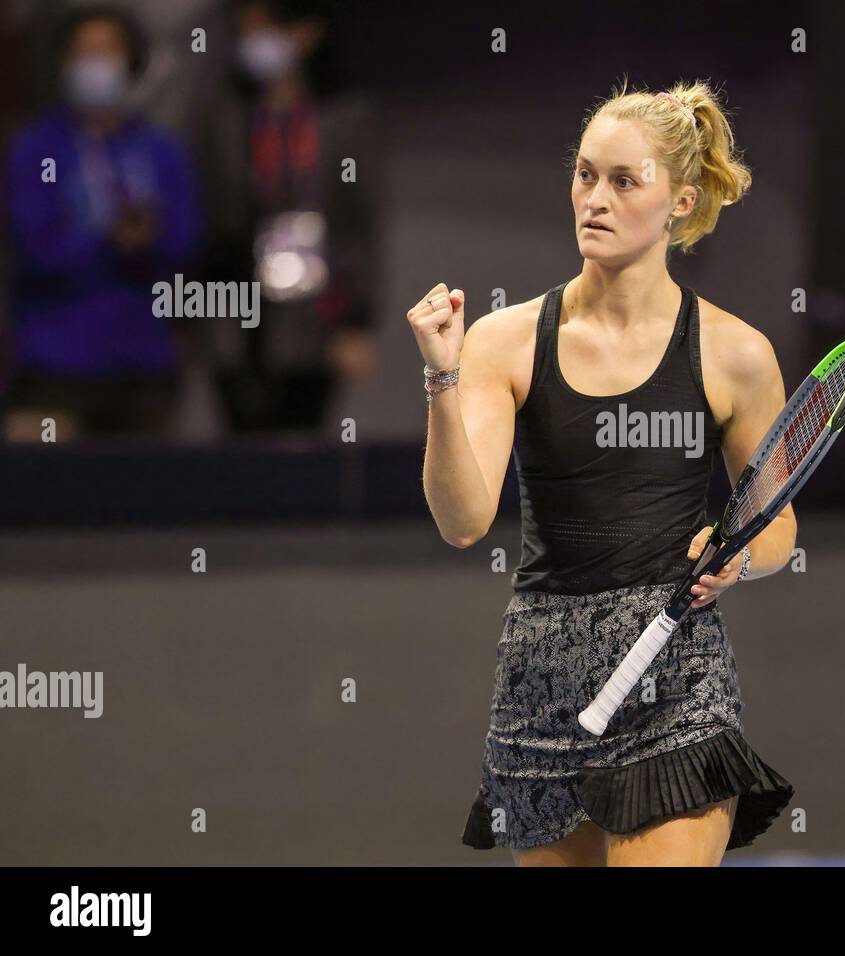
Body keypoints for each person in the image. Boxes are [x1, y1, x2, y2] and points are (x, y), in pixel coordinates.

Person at [410, 80, 795, 866]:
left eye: (625, 181)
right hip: (540, 682)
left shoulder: (738, 354)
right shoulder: (501, 340)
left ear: (681, 203)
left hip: (676, 682)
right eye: (586, 175)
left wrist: (738, 560)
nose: (596, 198)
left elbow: (778, 523)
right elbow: (461, 521)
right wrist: (442, 381)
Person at [4, 3, 201, 440]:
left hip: (144, 363)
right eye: (83, 54)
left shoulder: (159, 150)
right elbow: (34, 248)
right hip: (55, 362)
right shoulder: (37, 150)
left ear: (131, 63)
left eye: (107, 52)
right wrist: (106, 242)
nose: (96, 66)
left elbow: (185, 244)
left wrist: (148, 241)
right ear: (62, 64)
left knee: (142, 501)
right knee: (46, 500)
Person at [202, 0, 377, 433]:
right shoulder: (224, 117)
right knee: (239, 454)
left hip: (314, 319)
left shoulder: (343, 121)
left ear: (306, 33)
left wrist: (355, 321)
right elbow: (207, 212)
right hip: (236, 313)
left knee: (300, 452)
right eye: (246, 31)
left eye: (267, 29)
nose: (255, 43)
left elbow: (359, 227)